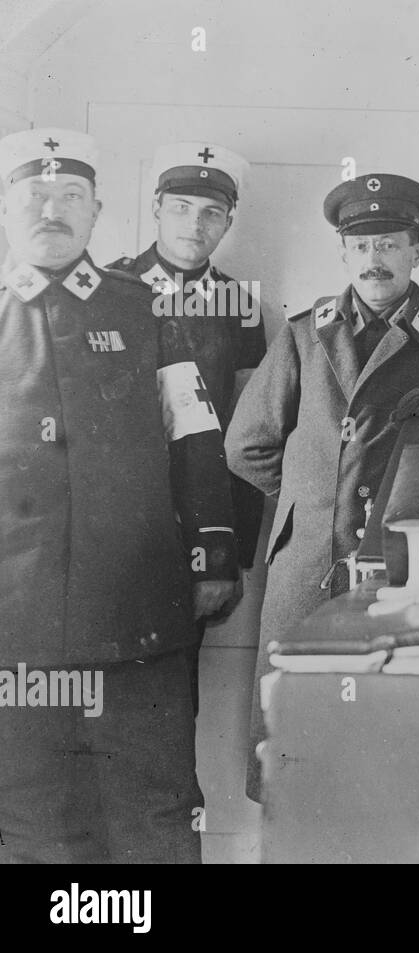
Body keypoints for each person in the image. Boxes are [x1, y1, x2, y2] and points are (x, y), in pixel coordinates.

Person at [226, 172, 419, 799]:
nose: (374, 260)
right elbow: (246, 445)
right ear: (344, 253)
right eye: (361, 246)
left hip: (413, 570)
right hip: (308, 570)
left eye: (389, 245)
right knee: (297, 748)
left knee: (398, 761)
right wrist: (309, 501)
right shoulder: (305, 334)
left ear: (417, 250)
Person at [0, 128, 240, 862]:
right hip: (15, 628)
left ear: (98, 210)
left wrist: (211, 558)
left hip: (138, 614)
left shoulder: (144, 310)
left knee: (156, 806)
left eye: (70, 195)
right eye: (35, 195)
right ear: (8, 209)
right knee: (33, 813)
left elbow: (196, 439)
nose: (52, 208)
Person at [110, 141, 267, 709]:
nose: (193, 224)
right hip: (116, 525)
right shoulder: (111, 290)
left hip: (200, 526)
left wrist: (230, 550)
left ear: (228, 221)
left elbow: (252, 433)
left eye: (210, 213)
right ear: (155, 208)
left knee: (173, 700)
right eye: (180, 207)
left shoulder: (239, 305)